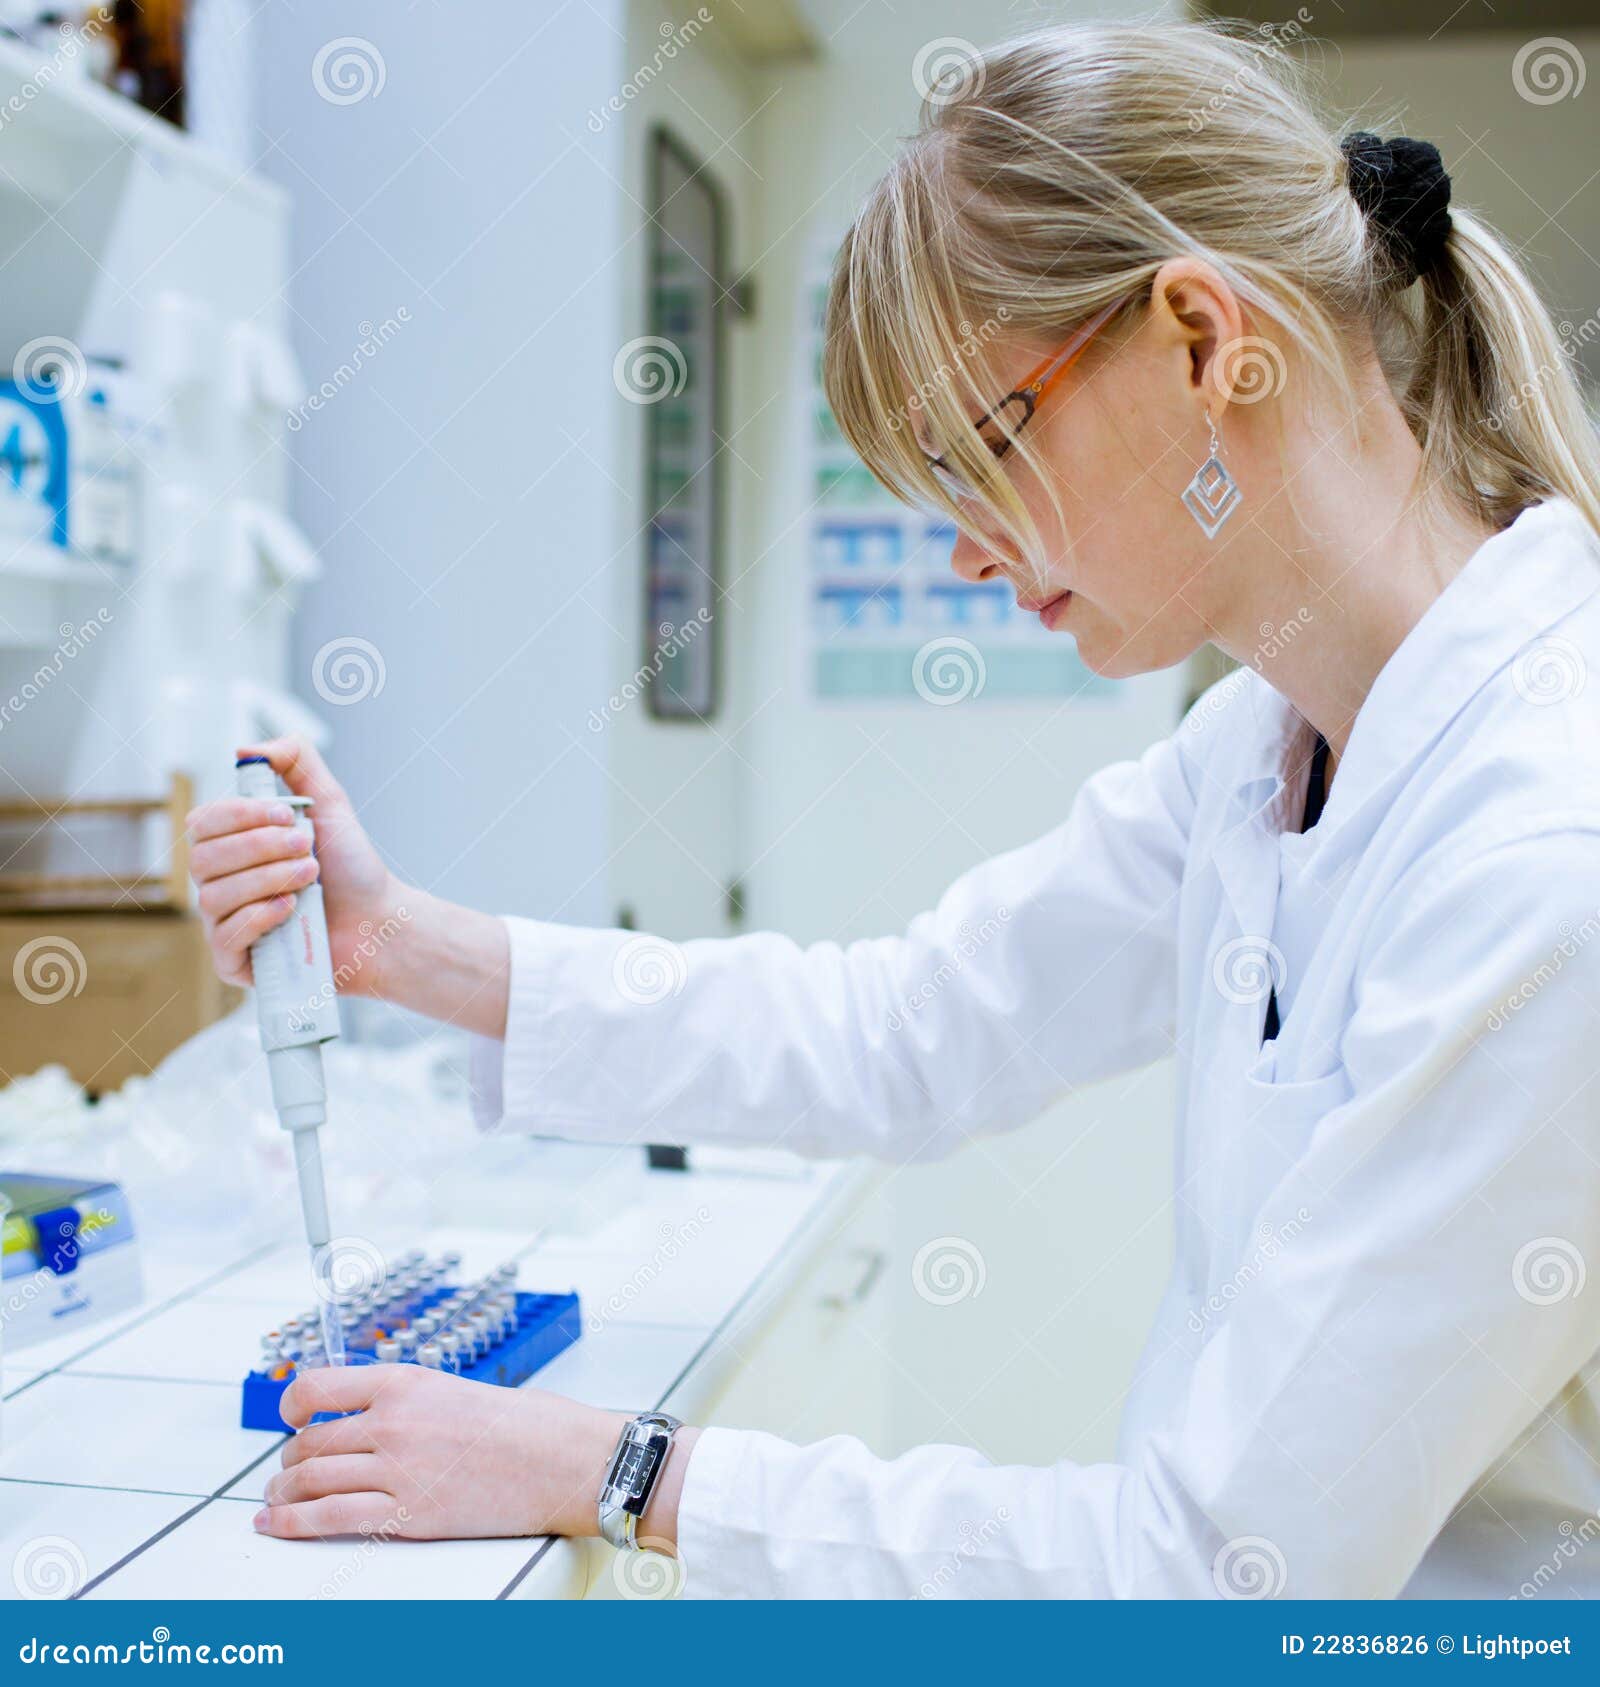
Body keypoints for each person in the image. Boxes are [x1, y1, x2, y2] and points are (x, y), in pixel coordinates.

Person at [185, 20, 1600, 1598]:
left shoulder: (1544, 858)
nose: (966, 555)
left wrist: (613, 1467)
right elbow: (910, 1023)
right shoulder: (1268, 745)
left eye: (983, 451)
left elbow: (1216, 1569)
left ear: (1203, 342)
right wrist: (402, 945)